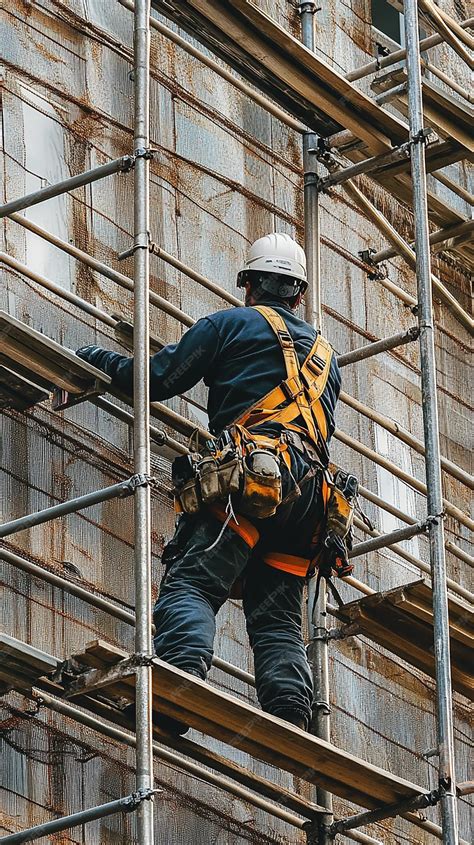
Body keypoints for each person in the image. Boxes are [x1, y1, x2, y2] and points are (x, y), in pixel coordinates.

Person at [76, 232, 342, 734]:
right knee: (278, 618)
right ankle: (290, 713)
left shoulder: (228, 325)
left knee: (194, 583)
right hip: (309, 500)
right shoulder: (329, 360)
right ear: (299, 295)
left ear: (246, 284)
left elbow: (157, 379)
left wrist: (99, 359)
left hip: (251, 480)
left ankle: (177, 691)